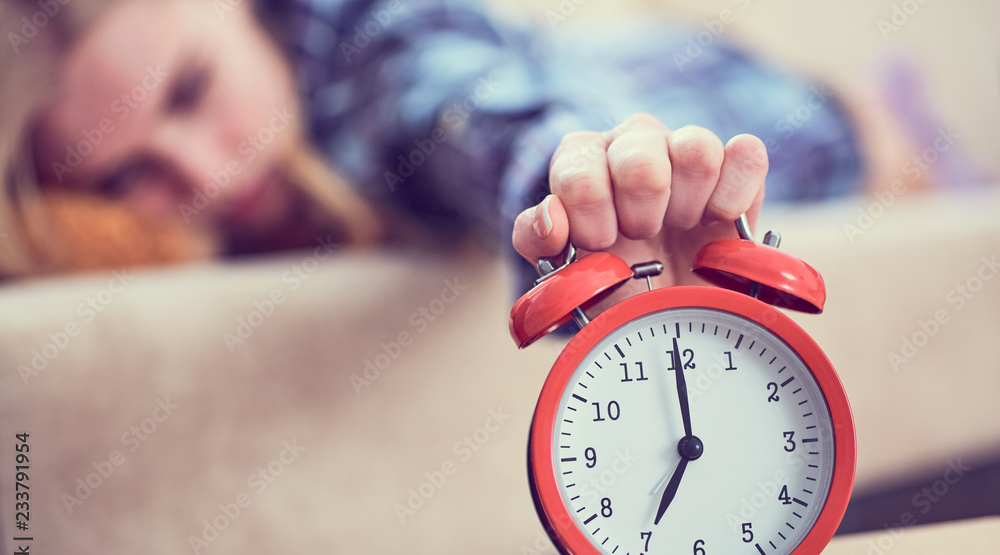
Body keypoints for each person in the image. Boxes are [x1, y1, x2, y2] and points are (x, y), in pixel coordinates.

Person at [2, 0, 901, 289]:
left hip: (795, 109)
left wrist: (578, 184)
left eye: (193, 89)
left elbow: (465, 110)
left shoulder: (373, 56)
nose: (200, 172)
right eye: (124, 179)